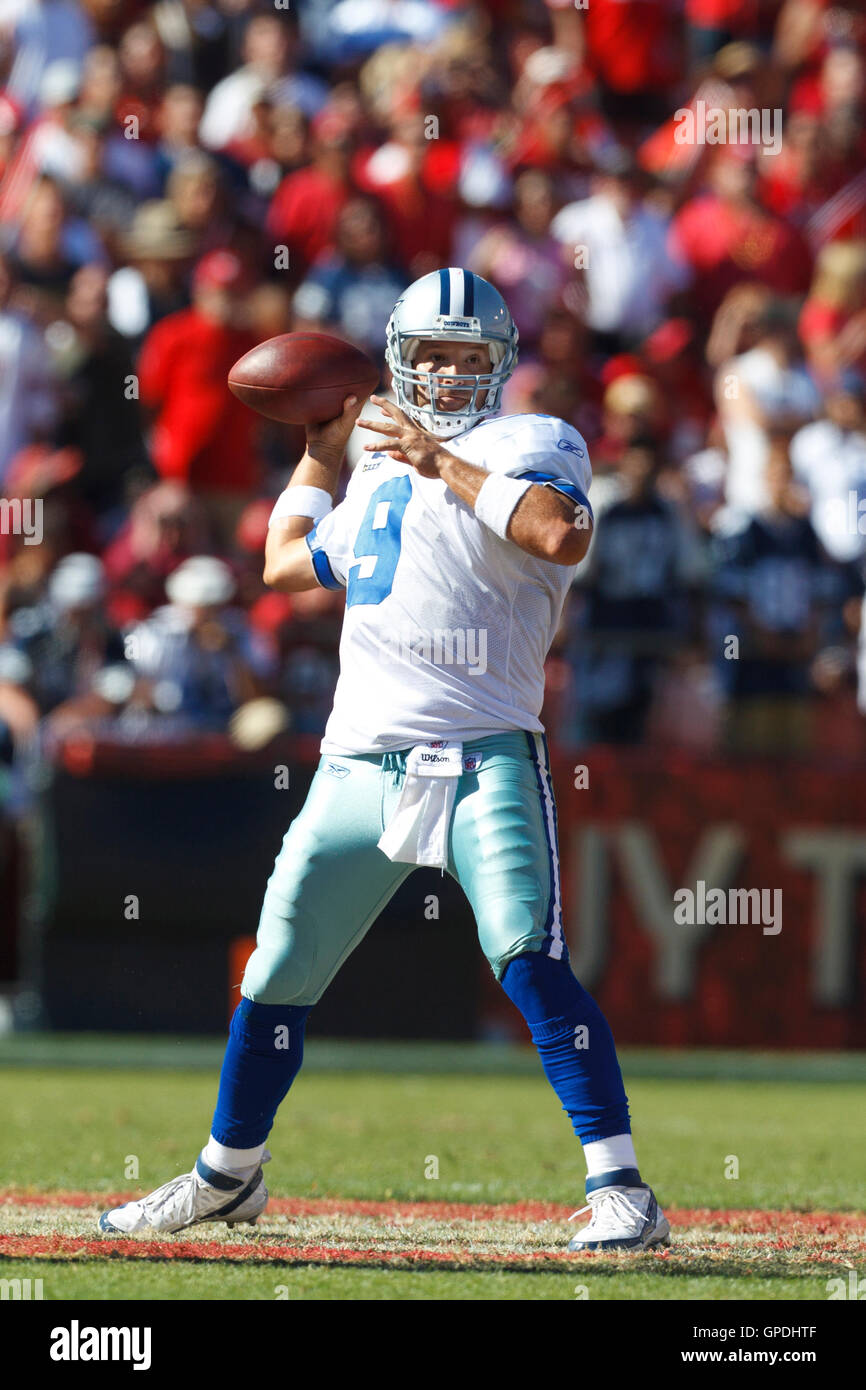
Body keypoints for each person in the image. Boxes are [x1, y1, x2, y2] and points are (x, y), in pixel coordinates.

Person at [98, 268, 670, 1255]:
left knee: (526, 961)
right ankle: (226, 1176)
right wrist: (321, 455)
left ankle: (620, 1189)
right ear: (397, 360)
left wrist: (435, 456)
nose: (446, 374)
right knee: (275, 969)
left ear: (497, 366)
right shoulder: (374, 467)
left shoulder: (528, 440)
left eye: (466, 356)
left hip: (481, 750)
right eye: (431, 355)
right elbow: (284, 562)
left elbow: (559, 531)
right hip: (357, 759)